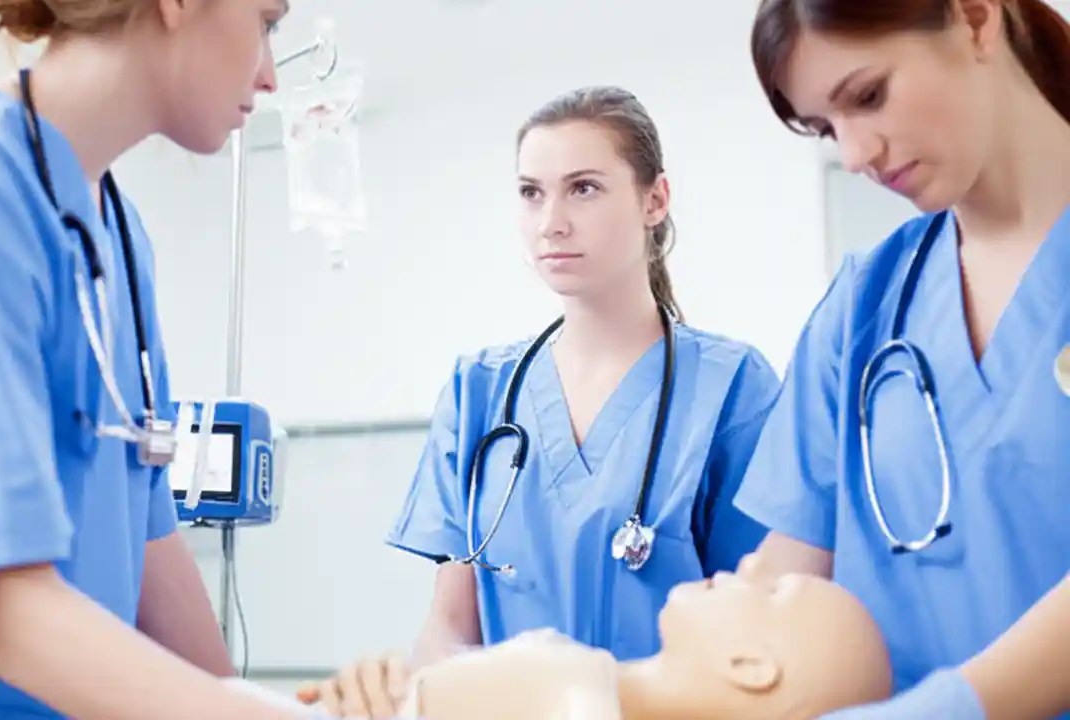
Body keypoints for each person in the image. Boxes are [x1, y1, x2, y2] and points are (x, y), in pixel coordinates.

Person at [0, 0, 335, 718]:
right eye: (266, 22)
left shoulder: (114, 232)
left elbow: (147, 543)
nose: (268, 75)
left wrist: (241, 699)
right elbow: (5, 616)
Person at [298, 86, 781, 718]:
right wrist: (407, 692)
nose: (551, 220)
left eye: (583, 188)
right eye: (531, 192)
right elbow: (449, 629)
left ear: (654, 199)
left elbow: (756, 635)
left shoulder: (731, 388)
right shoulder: (479, 392)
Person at [732, 0, 1070, 718]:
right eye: (826, 128)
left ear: (976, 18)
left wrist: (948, 708)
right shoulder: (863, 310)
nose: (854, 156)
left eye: (868, 96)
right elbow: (783, 582)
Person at [402, 555, 893, 720]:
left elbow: (407, 702)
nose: (752, 563)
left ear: (749, 666)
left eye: (772, 592)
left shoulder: (564, 681)